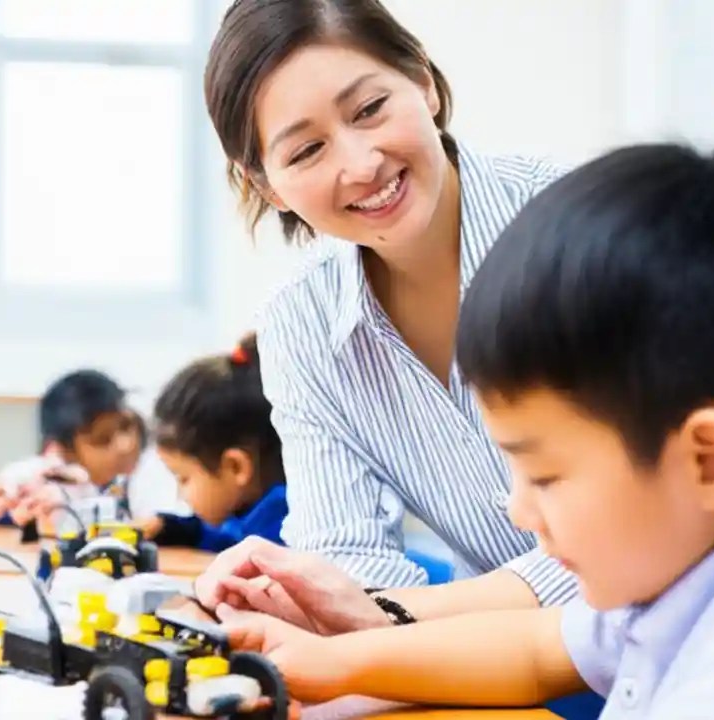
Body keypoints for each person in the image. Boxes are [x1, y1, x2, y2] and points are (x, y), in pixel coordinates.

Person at [215, 143, 714, 715]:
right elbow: (537, 647)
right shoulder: (709, 552)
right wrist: (322, 663)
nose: (519, 510)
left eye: (545, 475)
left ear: (710, 459)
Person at [195, 0, 577, 628]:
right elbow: (347, 559)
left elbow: (639, 525)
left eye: (370, 109)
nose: (361, 164)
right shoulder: (303, 326)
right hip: (503, 661)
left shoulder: (574, 227)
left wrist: (395, 614)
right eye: (307, 149)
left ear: (423, 81)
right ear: (264, 183)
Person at [139, 333, 289, 553]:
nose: (180, 495)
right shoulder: (248, 513)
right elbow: (221, 538)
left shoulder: (284, 530)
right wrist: (172, 528)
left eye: (184, 479)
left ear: (236, 467)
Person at [0, 368, 141, 532]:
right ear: (63, 450)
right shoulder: (52, 484)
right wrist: (12, 500)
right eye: (102, 439)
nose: (125, 445)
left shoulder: (149, 471)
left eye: (126, 426)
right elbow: (20, 480)